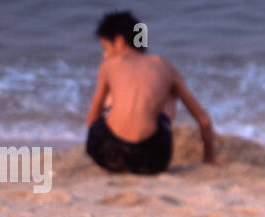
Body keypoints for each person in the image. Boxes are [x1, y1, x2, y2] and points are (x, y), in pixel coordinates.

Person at [85, 11, 215, 173]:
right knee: (167, 97)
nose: (105, 54)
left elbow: (93, 117)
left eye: (106, 47)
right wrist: (209, 158)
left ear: (119, 42)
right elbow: (204, 121)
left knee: (112, 99)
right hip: (154, 159)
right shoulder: (164, 66)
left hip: (110, 154)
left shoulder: (109, 66)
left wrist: (92, 142)